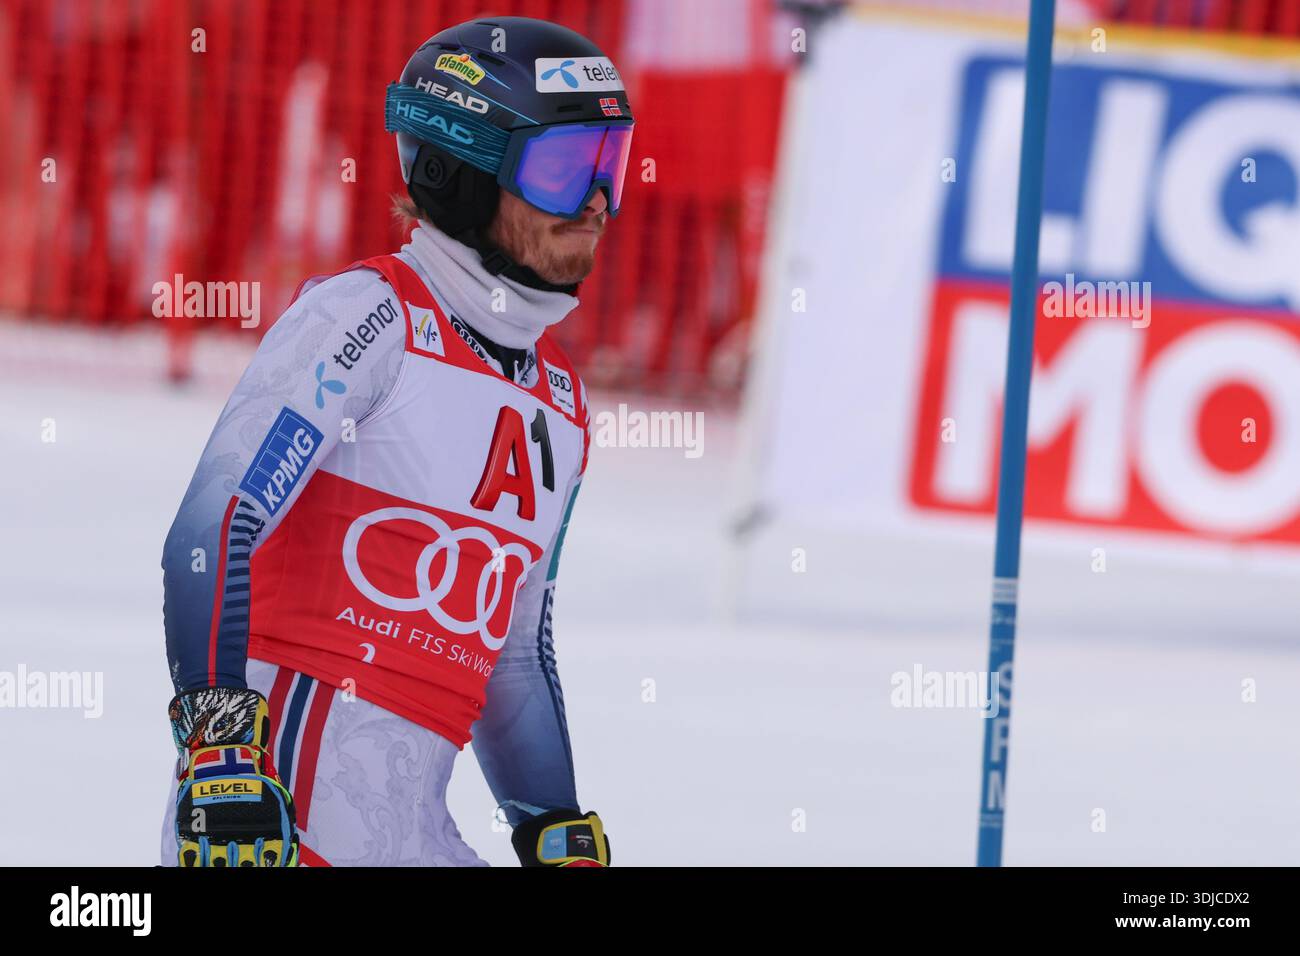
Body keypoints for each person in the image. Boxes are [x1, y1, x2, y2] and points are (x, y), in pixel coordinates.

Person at [158, 15, 634, 867]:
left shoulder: (560, 400)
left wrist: (552, 824)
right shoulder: (369, 318)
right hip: (279, 825)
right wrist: (220, 751)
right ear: (459, 171)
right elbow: (215, 529)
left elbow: (515, 656)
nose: (597, 202)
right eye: (566, 170)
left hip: (405, 836)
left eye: (610, 166)